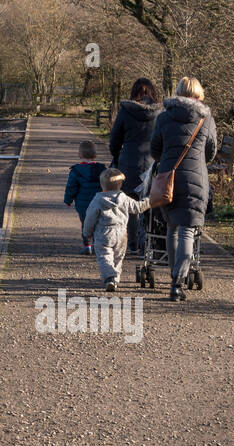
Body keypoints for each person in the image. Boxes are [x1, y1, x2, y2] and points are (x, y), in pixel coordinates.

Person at [149, 76, 218, 301]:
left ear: (178, 93)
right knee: (188, 230)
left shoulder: (163, 117)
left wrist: (168, 159)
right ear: (199, 95)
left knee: (172, 228)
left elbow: (155, 150)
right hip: (196, 180)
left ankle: (173, 275)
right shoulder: (206, 119)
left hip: (168, 178)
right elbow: (211, 152)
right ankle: (178, 282)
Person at [109, 77, 161, 251]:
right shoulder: (161, 113)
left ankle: (132, 243)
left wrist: (117, 157)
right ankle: (148, 242)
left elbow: (114, 140)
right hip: (154, 164)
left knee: (130, 204)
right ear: (153, 92)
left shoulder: (125, 111)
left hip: (129, 163)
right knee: (150, 203)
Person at [83, 168, 151, 291]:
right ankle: (115, 279)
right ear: (120, 186)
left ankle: (110, 277)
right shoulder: (124, 198)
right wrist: (150, 200)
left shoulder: (97, 200)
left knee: (104, 256)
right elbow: (138, 207)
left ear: (102, 186)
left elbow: (90, 218)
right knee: (118, 258)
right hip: (121, 234)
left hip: (103, 234)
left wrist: (87, 233)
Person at [64, 139, 106, 255]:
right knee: (98, 224)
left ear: (80, 154)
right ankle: (98, 244)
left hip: (83, 205)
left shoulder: (76, 171)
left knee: (85, 224)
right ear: (95, 155)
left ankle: (87, 245)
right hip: (99, 204)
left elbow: (71, 187)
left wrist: (68, 200)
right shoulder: (102, 169)